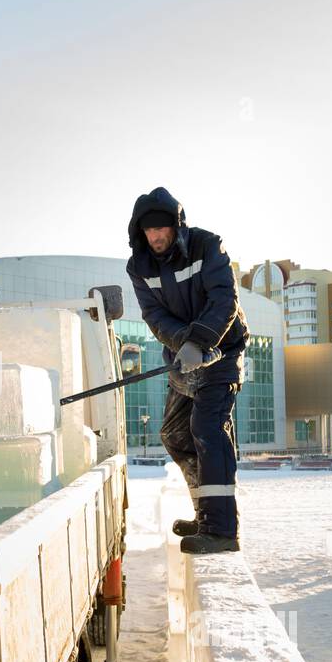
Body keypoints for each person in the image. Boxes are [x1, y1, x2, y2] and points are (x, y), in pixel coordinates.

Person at [125, 187, 249, 553]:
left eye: (161, 229)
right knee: (175, 434)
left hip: (222, 351)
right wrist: (184, 343)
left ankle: (222, 531)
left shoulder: (207, 247)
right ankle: (205, 514)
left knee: (207, 427)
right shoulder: (139, 267)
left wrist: (202, 341)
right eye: (148, 231)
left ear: (176, 227)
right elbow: (154, 315)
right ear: (139, 232)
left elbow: (224, 298)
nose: (156, 237)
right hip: (184, 357)